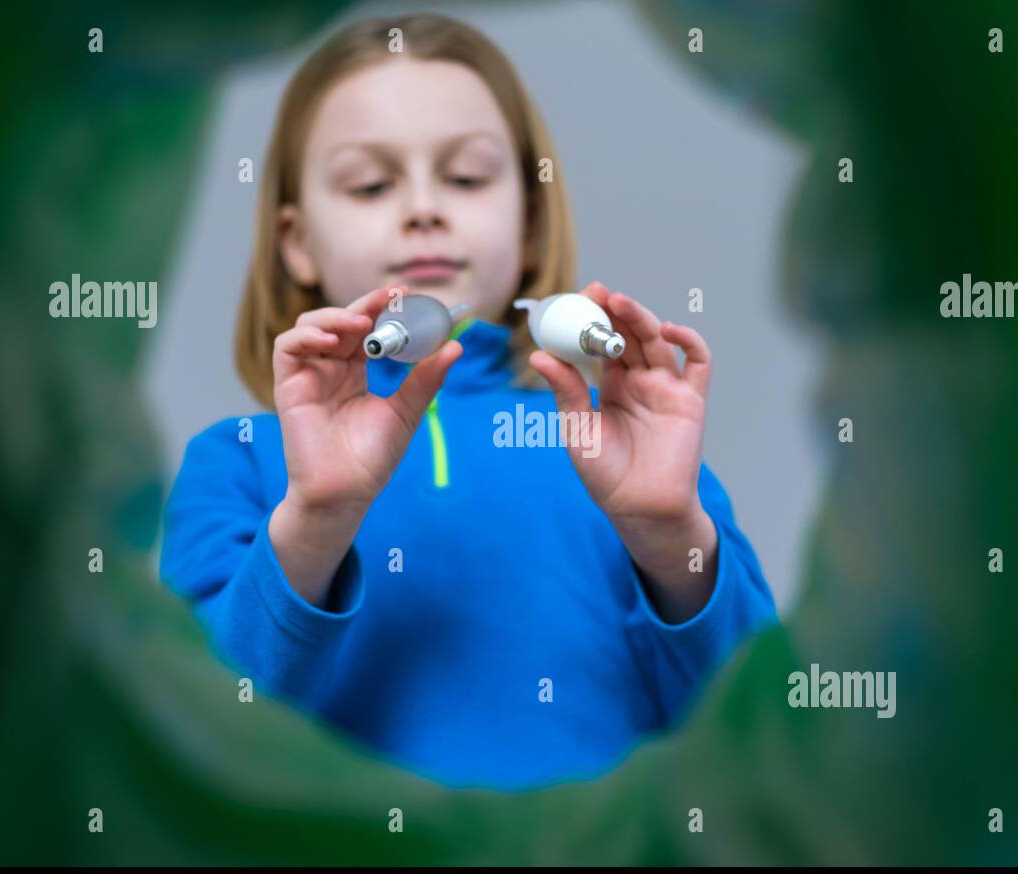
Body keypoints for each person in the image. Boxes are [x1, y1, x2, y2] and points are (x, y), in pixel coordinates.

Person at [160, 13, 777, 792]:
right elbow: (199, 736)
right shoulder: (239, 463)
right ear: (297, 242)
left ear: (528, 221)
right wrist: (313, 525)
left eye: (467, 176)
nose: (423, 208)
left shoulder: (625, 449)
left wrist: (671, 540)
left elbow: (766, 737)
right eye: (370, 183)